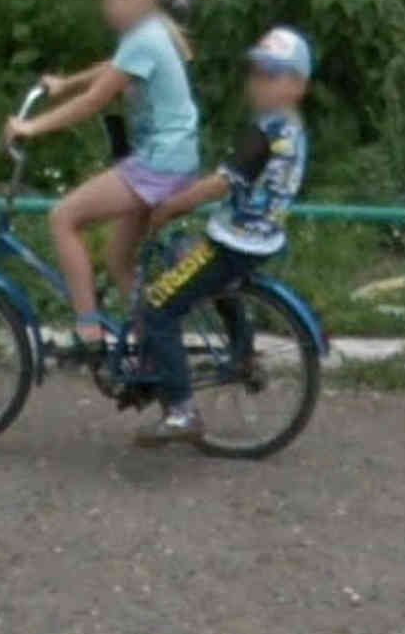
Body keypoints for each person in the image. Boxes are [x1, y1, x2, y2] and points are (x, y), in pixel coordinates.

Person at [3, 0, 201, 359]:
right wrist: (65, 82)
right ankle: (155, 346)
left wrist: (32, 127)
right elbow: (108, 72)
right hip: (175, 160)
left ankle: (88, 331)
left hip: (159, 164)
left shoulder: (143, 39)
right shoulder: (151, 32)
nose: (113, 5)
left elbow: (95, 101)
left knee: (62, 217)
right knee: (117, 257)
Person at [134, 26, 313, 446]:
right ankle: (244, 353)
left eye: (274, 74)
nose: (261, 82)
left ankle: (181, 410)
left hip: (235, 242)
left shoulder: (266, 132)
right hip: (259, 239)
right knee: (183, 255)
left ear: (298, 85)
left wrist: (169, 207)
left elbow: (222, 183)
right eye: (258, 72)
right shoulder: (289, 128)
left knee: (157, 307)